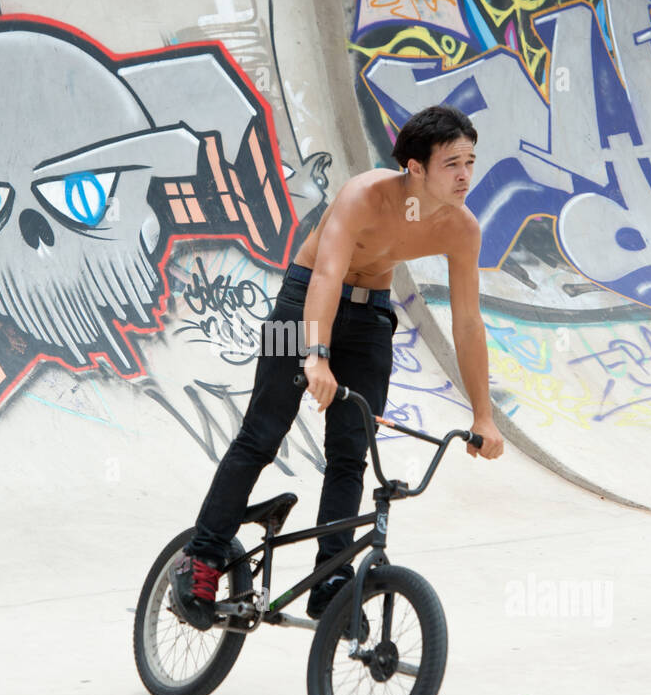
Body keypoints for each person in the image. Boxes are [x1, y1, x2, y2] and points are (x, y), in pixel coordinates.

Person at [169, 104, 505, 630]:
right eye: (451, 163)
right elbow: (325, 273)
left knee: (351, 450)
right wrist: (316, 354)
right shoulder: (366, 195)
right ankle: (203, 556)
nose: (465, 175)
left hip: (371, 314)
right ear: (415, 167)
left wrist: (484, 415)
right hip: (300, 302)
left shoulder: (460, 228)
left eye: (470, 161)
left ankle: (330, 578)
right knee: (263, 431)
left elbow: (467, 321)